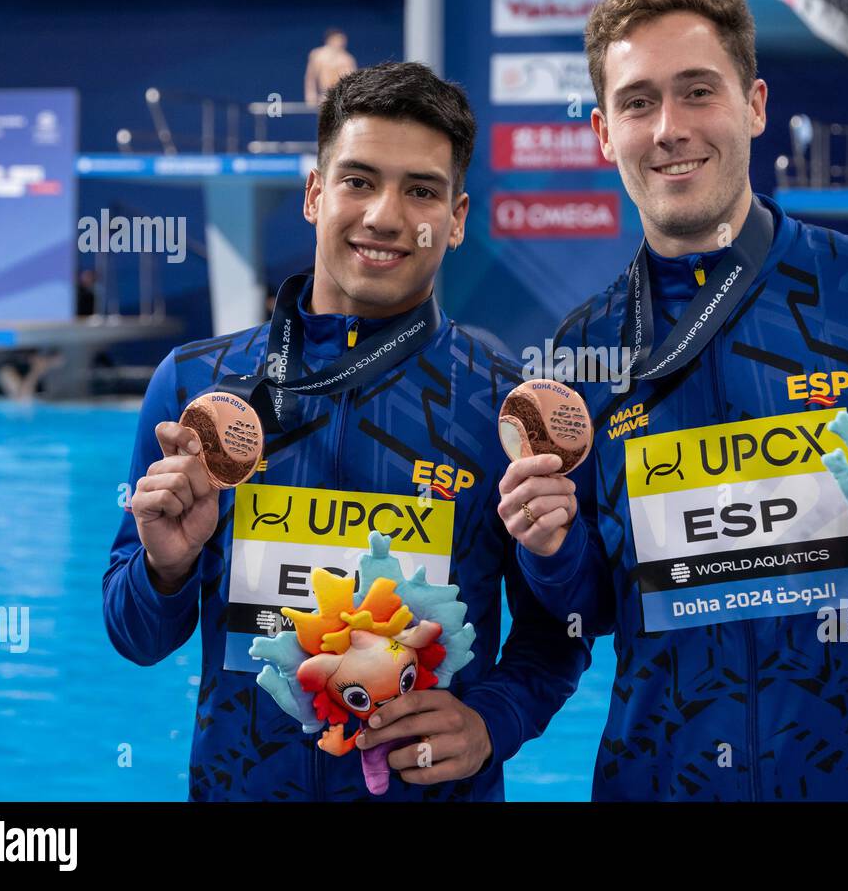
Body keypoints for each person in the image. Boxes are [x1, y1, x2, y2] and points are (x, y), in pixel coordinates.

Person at [496, 0, 848, 801]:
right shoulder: (582, 355)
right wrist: (548, 548)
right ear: (605, 134)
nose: (670, 129)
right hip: (655, 779)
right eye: (639, 103)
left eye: (697, 93)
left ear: (753, 105)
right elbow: (592, 609)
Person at [103, 62, 590, 801]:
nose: (385, 216)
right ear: (314, 194)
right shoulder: (197, 388)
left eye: (421, 190)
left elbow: (567, 627)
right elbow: (135, 636)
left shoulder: (504, 408)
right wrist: (166, 568)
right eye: (358, 180)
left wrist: (493, 720)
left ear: (456, 219)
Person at [304, 28, 359, 106]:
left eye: (342, 41)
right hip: (324, 94)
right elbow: (310, 77)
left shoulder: (347, 59)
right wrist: (310, 94)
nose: (340, 43)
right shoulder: (317, 55)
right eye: (338, 40)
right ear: (330, 40)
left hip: (341, 95)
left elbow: (352, 80)